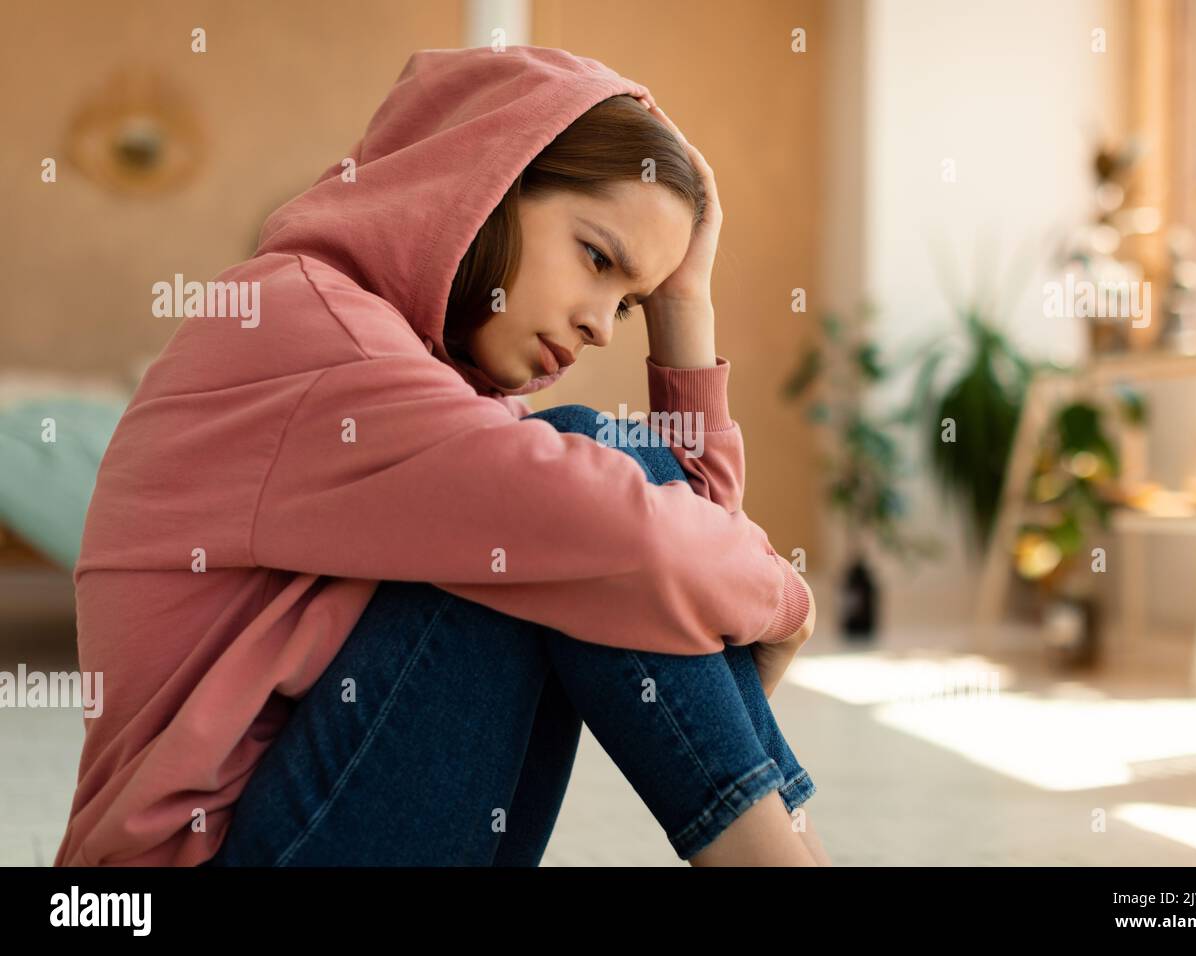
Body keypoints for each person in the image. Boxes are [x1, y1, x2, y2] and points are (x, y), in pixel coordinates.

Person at [54, 45, 827, 867]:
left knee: (581, 503)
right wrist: (785, 599)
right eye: (598, 259)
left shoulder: (437, 386)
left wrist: (685, 300)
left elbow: (686, 556)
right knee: (581, 487)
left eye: (631, 305)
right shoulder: (302, 326)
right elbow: (659, 548)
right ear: (487, 183)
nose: (603, 324)